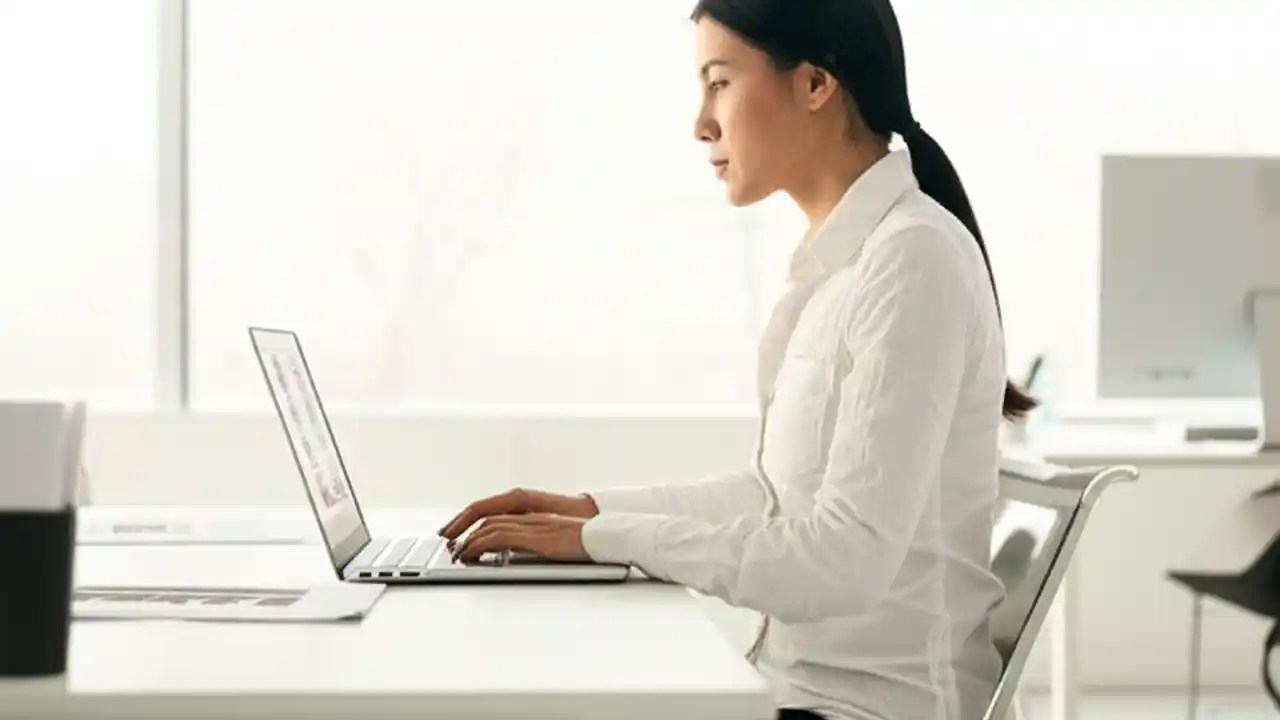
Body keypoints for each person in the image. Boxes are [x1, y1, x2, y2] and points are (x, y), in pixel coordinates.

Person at [439, 1, 1036, 718]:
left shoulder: (913, 260)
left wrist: (606, 538)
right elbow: (771, 498)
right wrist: (589, 514)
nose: (701, 123)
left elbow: (846, 560)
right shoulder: (845, 267)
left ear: (815, 84)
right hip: (792, 694)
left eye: (719, 83)